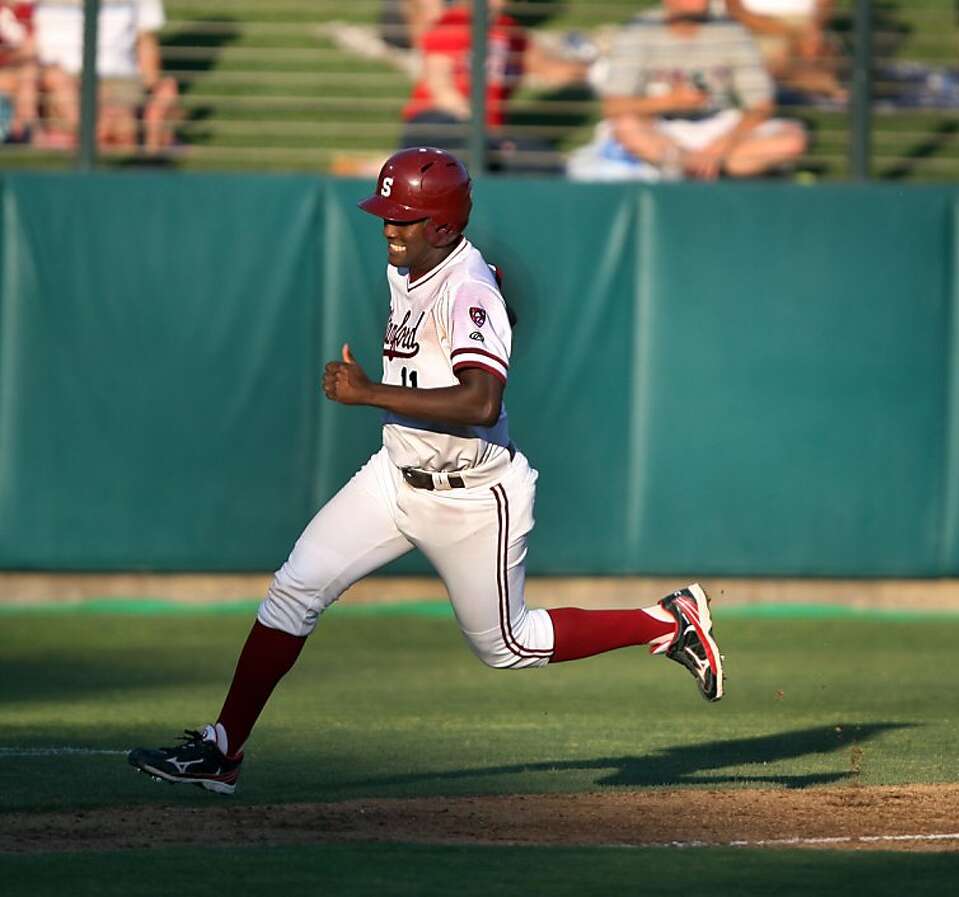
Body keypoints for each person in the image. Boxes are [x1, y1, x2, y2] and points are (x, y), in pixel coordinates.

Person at [127, 147, 726, 796]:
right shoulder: (416, 262)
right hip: (395, 473)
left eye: (403, 217)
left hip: (472, 496)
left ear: (442, 227)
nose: (388, 226)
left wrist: (370, 394)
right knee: (294, 590)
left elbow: (481, 400)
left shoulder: (467, 288)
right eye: (386, 214)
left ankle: (668, 620)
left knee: (508, 644)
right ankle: (223, 749)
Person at [599, 0, 807, 181]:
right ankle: (703, 168)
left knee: (791, 140)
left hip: (720, 129)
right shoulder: (640, 29)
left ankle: (696, 169)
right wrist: (669, 102)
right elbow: (613, 106)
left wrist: (720, 147)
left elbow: (761, 106)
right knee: (626, 127)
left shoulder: (730, 31)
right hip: (662, 129)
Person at [401, 0, 586, 167]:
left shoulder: (509, 30)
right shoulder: (454, 22)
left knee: (542, 161)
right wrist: (479, 127)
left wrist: (591, 68)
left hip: (485, 135)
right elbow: (441, 86)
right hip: (441, 122)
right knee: (462, 156)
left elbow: (549, 69)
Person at [34, 0, 180, 151]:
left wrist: (152, 90)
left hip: (119, 78)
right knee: (65, 94)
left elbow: (146, 40)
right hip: (60, 77)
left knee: (122, 123)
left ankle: (120, 140)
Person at [724, 0, 846, 101]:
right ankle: (825, 89)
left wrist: (815, 26)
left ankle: (819, 89)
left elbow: (826, 4)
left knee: (823, 51)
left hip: (806, 23)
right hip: (761, 26)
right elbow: (735, 10)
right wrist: (792, 34)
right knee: (777, 58)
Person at [0, 1, 37, 142]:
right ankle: (26, 129)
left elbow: (33, 47)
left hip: (22, 70)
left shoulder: (25, 10)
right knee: (28, 75)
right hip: (10, 71)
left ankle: (24, 128)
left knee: (56, 77)